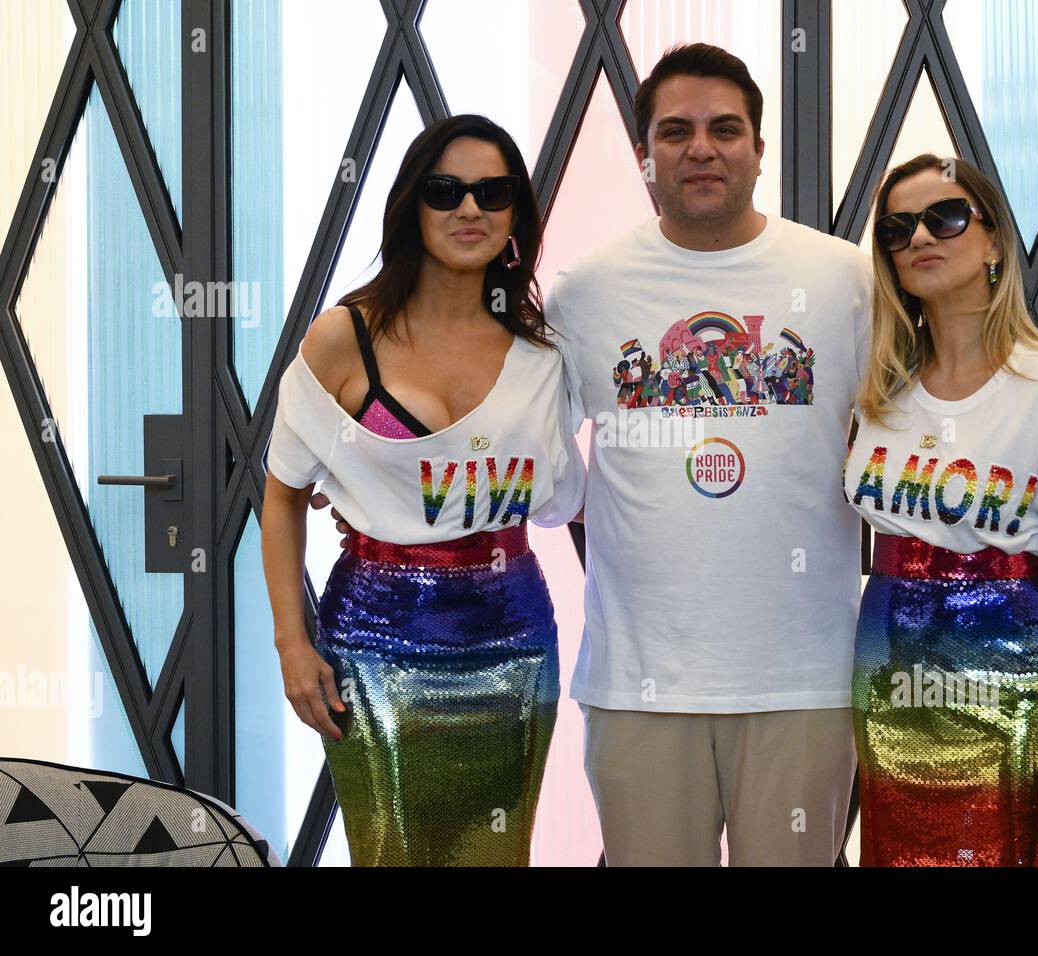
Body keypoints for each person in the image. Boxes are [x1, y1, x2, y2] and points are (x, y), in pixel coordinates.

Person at [545, 43, 872, 866]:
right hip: (641, 682)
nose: (701, 147)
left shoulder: (843, 280)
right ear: (644, 154)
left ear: (759, 149)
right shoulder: (585, 291)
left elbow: (923, 423)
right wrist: (381, 469)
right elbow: (524, 449)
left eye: (726, 129)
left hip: (804, 680)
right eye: (676, 130)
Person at [261, 114, 585, 866]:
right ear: (412, 205)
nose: (469, 209)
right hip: (374, 639)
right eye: (445, 191)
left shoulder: (542, 353)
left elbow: (563, 498)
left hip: (512, 637)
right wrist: (291, 645)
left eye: (491, 192)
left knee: (494, 855)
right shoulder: (347, 337)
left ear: (514, 216)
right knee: (390, 852)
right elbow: (282, 495)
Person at [843, 153, 1038, 866]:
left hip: (1009, 675)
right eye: (898, 230)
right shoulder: (881, 389)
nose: (921, 238)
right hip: (890, 668)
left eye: (947, 217)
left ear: (994, 240)